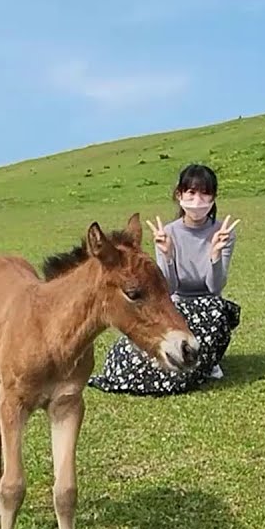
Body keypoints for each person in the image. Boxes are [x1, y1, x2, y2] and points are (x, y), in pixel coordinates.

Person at [88, 163, 241, 395]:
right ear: (179, 195)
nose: (197, 200)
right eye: (191, 192)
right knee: (127, 357)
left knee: (189, 356)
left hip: (211, 305)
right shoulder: (167, 232)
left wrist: (216, 255)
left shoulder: (223, 232)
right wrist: (167, 255)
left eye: (204, 193)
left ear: (213, 197)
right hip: (175, 303)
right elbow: (168, 288)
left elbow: (215, 286)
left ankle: (207, 362)